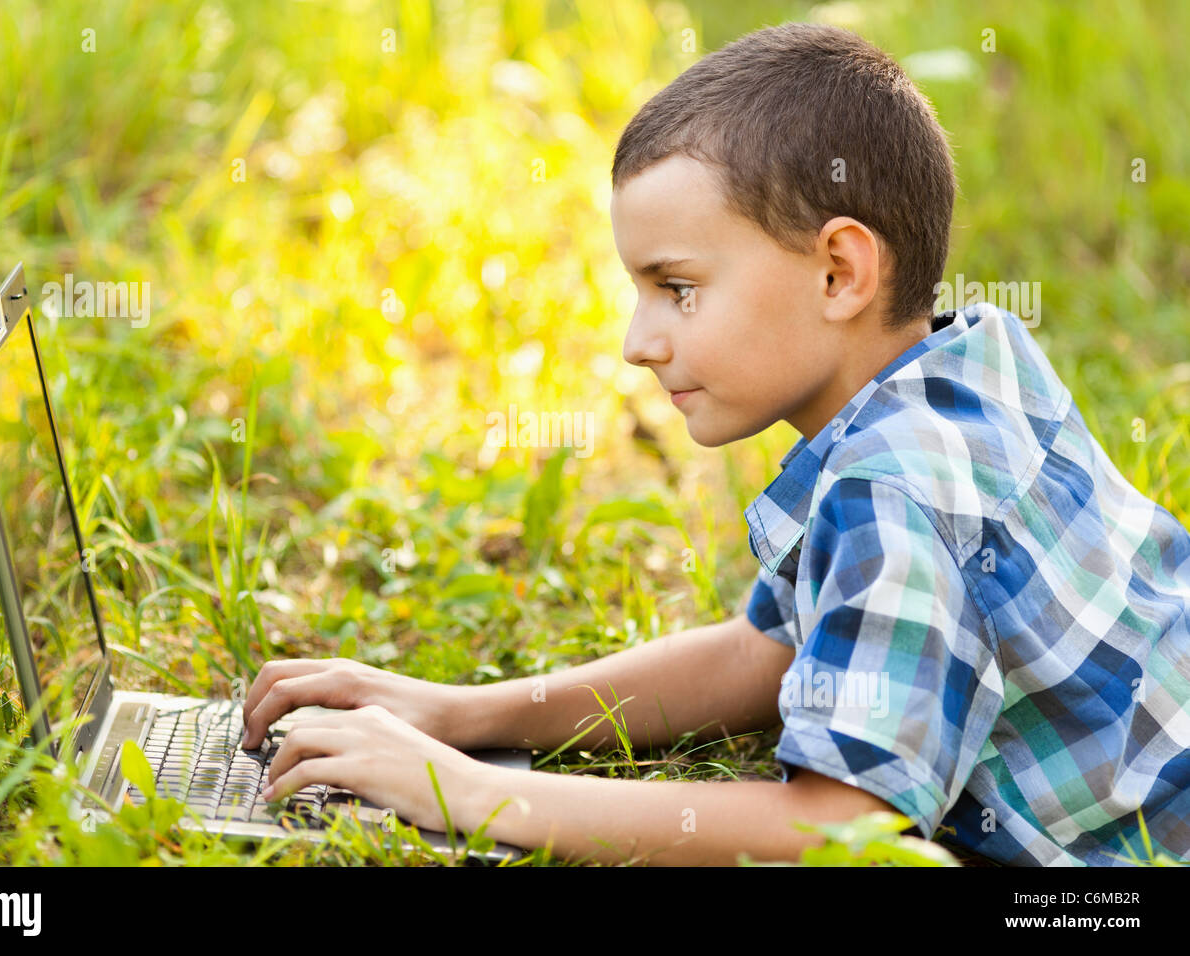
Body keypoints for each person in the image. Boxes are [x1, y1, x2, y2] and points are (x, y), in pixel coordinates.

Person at [240, 23, 1190, 866]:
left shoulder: (897, 490)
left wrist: (471, 792)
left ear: (839, 271)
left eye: (677, 287)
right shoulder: (968, 361)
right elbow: (768, 653)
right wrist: (463, 713)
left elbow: (837, 825)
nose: (637, 342)